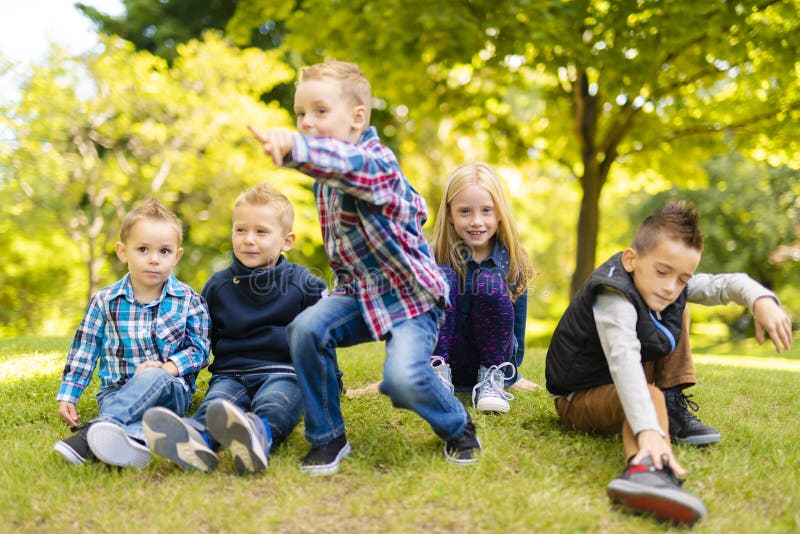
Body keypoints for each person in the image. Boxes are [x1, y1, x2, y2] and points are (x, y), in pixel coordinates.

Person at [248, 60, 479, 476]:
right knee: (306, 329)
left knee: (403, 381)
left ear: (357, 118)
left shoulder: (378, 163)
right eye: (300, 114)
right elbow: (346, 242)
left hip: (411, 298)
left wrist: (296, 147)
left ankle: (458, 426)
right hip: (359, 293)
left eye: (320, 111)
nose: (306, 122)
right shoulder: (323, 182)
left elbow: (348, 166)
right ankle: (328, 437)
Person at [545, 200, 793, 525]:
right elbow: (623, 360)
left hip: (615, 380)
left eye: (681, 278)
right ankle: (646, 470)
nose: (670, 286)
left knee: (680, 306)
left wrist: (761, 299)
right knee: (649, 396)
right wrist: (649, 431)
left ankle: (671, 406)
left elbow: (723, 284)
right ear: (631, 259)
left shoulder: (669, 286)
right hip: (578, 397)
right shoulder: (613, 295)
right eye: (662, 272)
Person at [142, 183, 328, 474]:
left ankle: (258, 436)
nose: (248, 240)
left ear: (287, 240)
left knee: (277, 403)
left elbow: (321, 338)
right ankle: (196, 440)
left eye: (261, 232)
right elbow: (200, 338)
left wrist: (332, 381)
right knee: (216, 405)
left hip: (283, 371)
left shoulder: (305, 285)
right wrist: (173, 368)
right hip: (231, 373)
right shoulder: (217, 286)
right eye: (240, 230)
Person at [53, 198, 211, 469]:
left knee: (152, 378)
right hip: (117, 391)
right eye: (143, 249)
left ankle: (89, 438)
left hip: (170, 389)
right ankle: (137, 441)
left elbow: (199, 350)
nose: (154, 259)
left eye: (164, 251)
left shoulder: (189, 300)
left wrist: (166, 369)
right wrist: (69, 395)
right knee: (132, 412)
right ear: (123, 252)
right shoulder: (106, 300)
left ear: (177, 256)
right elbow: (85, 348)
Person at [428, 162, 535, 413]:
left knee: (489, 283)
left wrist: (513, 375)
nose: (476, 221)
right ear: (450, 214)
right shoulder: (432, 256)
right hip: (446, 357)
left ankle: (491, 381)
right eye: (465, 211)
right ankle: (436, 378)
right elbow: (415, 324)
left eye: (486, 210)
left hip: (491, 361)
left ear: (499, 213)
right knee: (442, 276)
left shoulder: (513, 260)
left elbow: (517, 332)